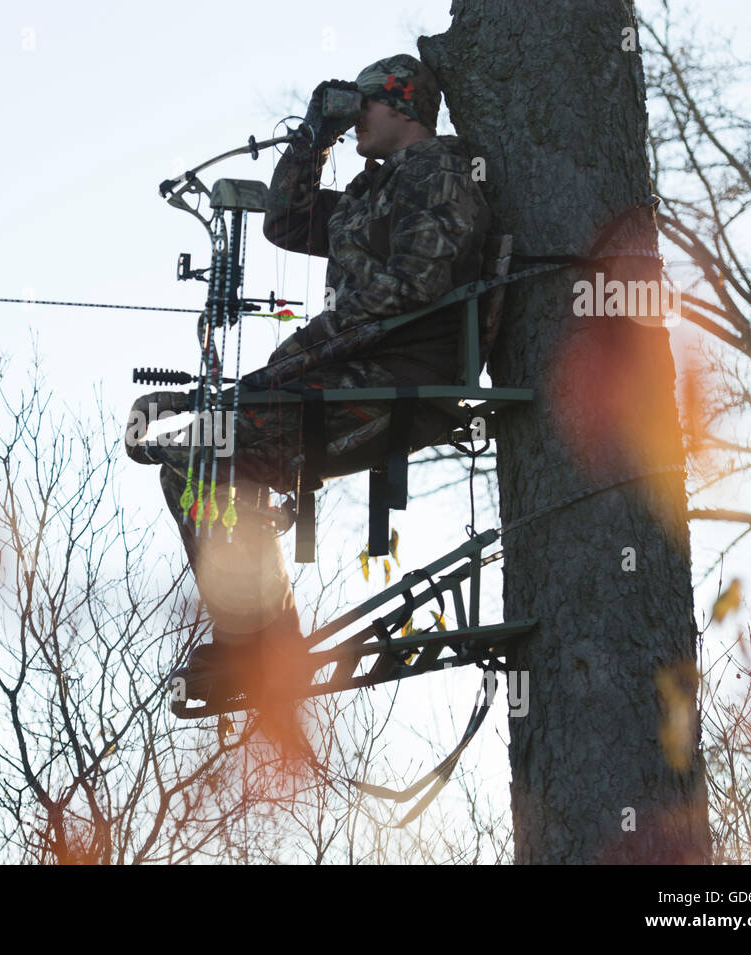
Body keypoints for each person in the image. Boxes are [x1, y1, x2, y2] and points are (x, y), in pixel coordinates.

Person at [128, 54, 491, 708]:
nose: (357, 121)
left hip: (392, 383)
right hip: (345, 378)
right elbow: (285, 221)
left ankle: (263, 643)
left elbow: (418, 282)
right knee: (189, 461)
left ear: (402, 106)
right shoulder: (375, 189)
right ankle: (259, 636)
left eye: (366, 106)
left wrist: (313, 343)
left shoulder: (435, 170)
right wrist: (311, 141)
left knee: (207, 459)